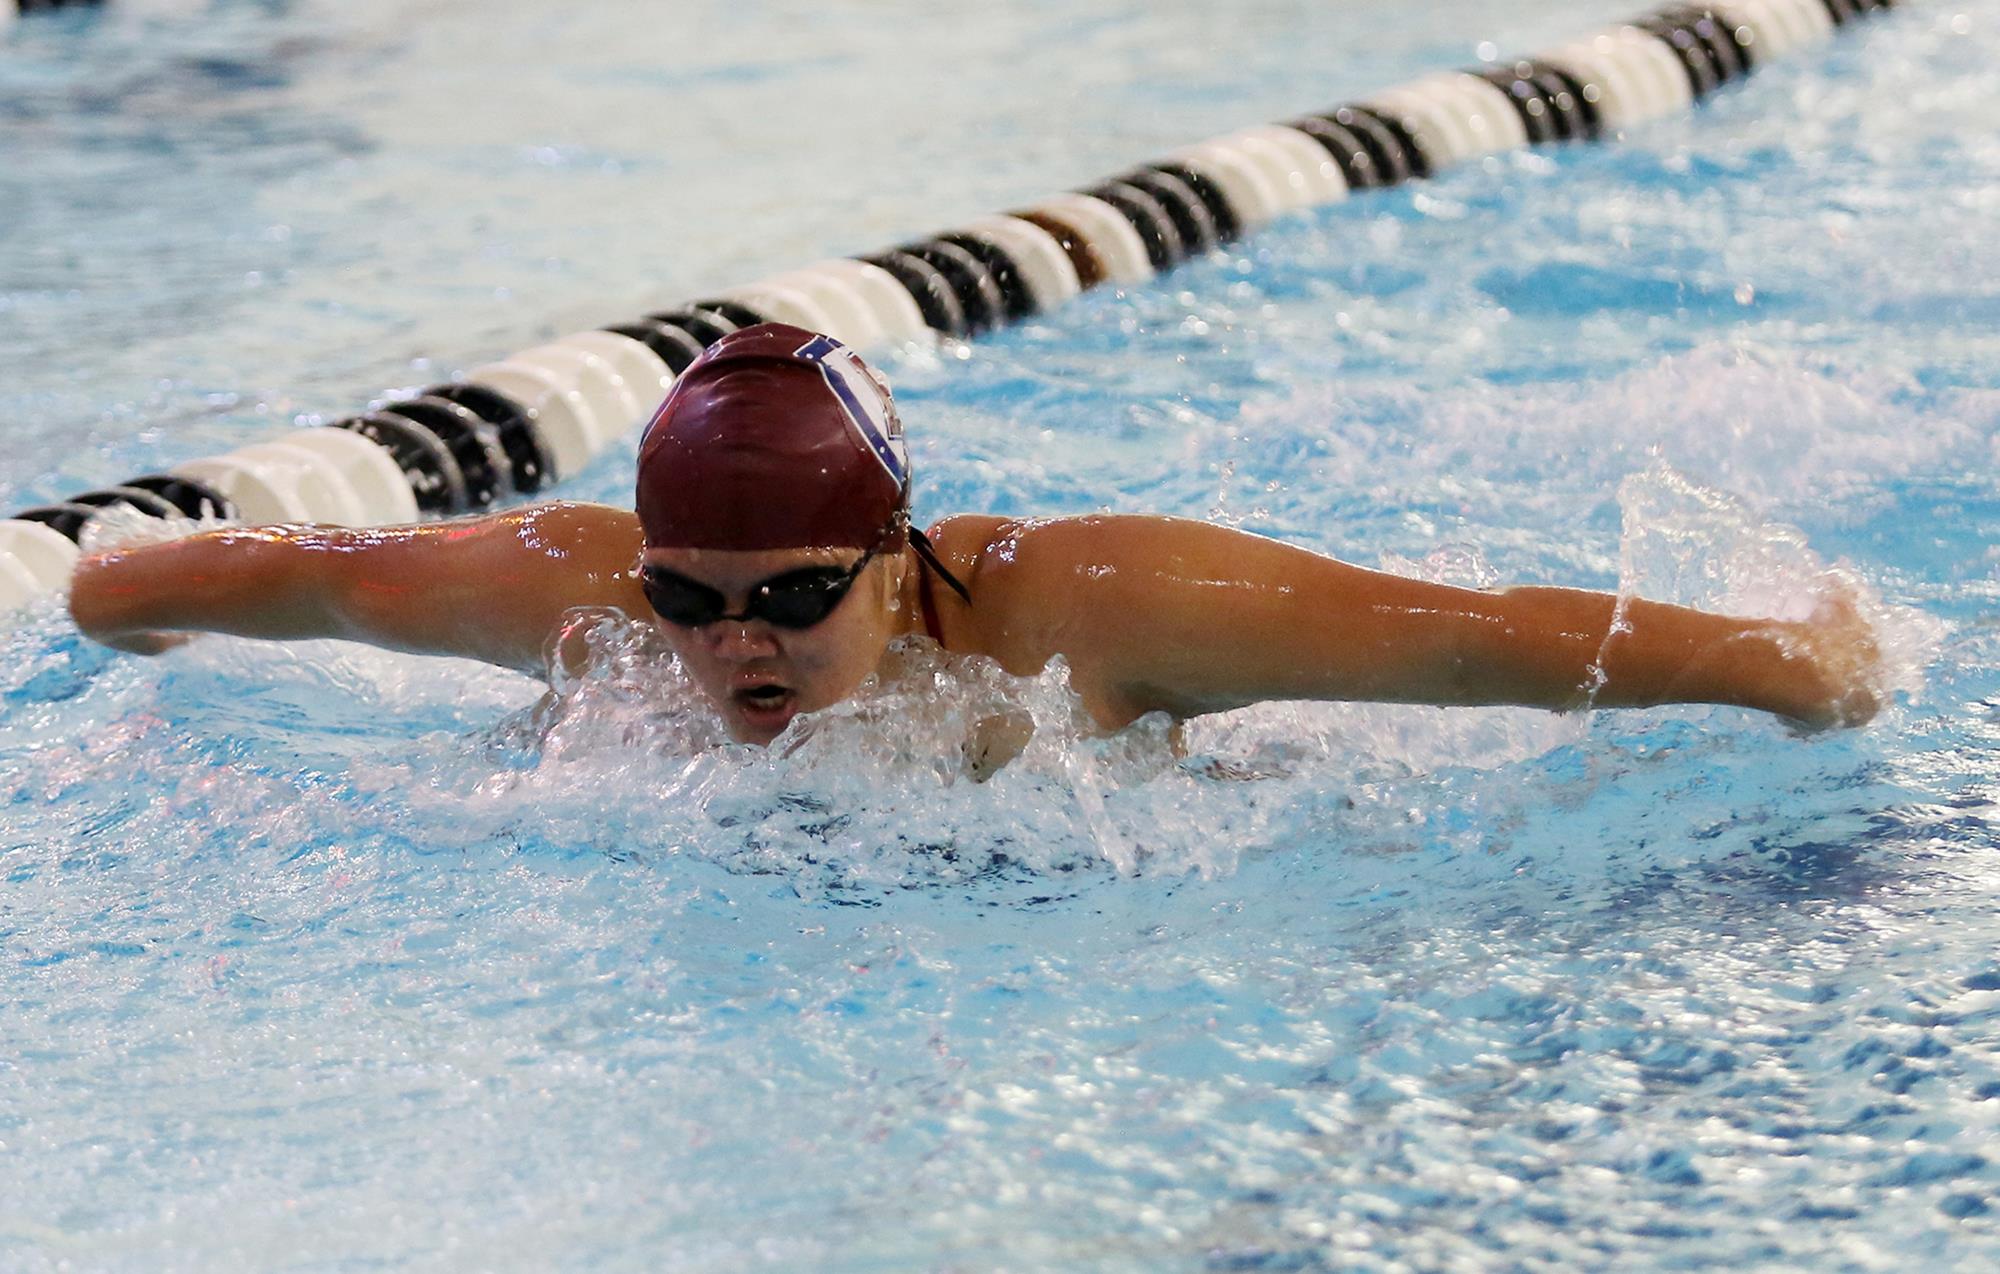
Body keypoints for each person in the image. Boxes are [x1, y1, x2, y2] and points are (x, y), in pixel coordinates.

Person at [69, 323, 1882, 748]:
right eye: (688, 599)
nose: (730, 645)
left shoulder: (1089, 612)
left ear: (896, 555)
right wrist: (105, 592)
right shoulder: (578, 602)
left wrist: (1787, 663)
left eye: (793, 596)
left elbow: (1467, 640)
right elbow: (313, 576)